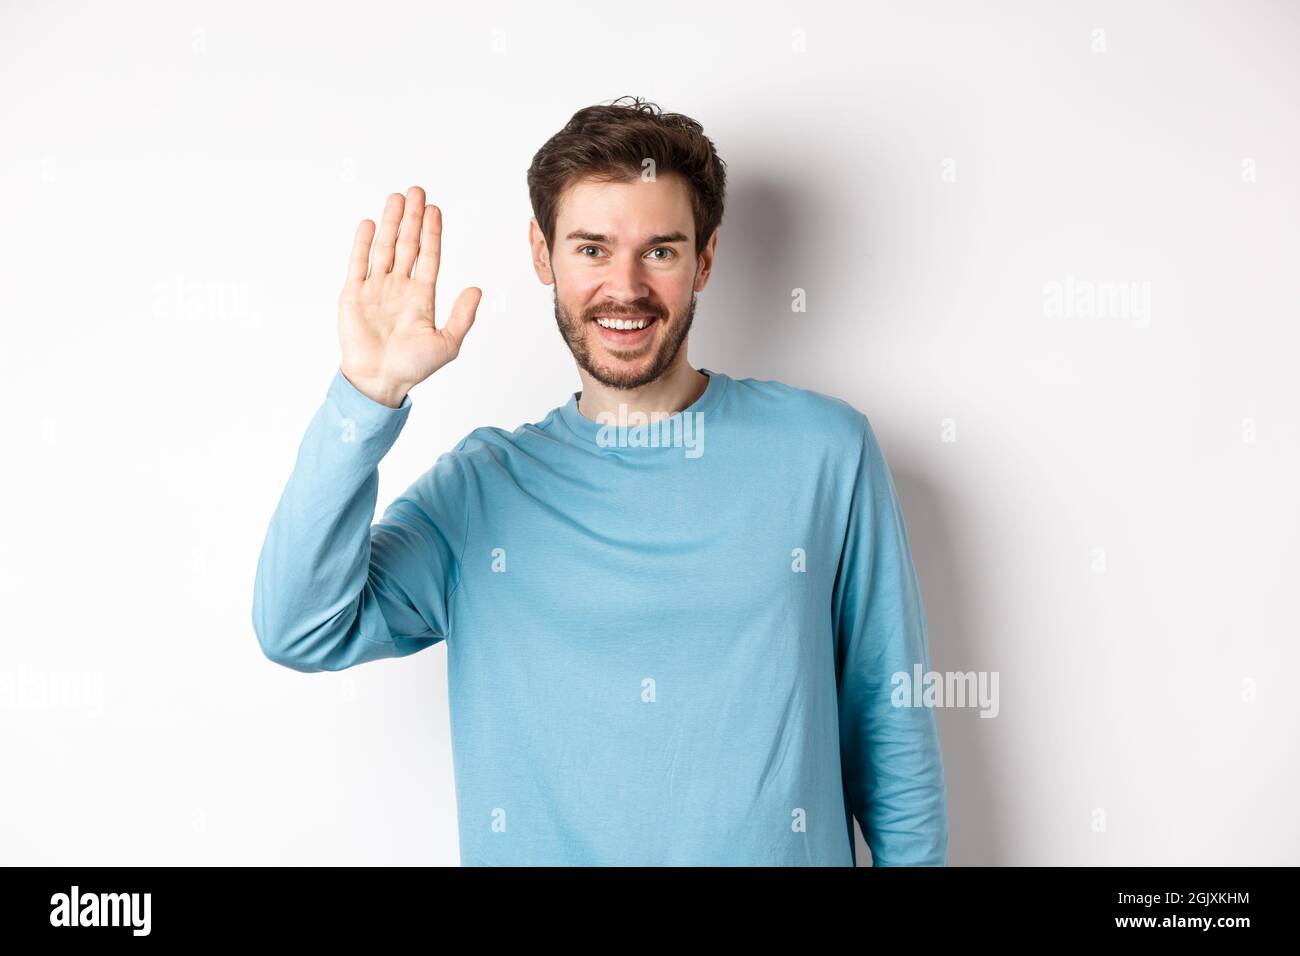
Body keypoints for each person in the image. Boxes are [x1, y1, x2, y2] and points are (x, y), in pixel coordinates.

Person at [252, 96, 948, 866]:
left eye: (660, 251)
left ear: (705, 259)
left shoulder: (824, 452)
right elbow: (298, 626)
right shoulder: (483, 491)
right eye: (591, 249)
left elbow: (891, 724)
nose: (625, 288)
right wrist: (366, 397)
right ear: (543, 256)